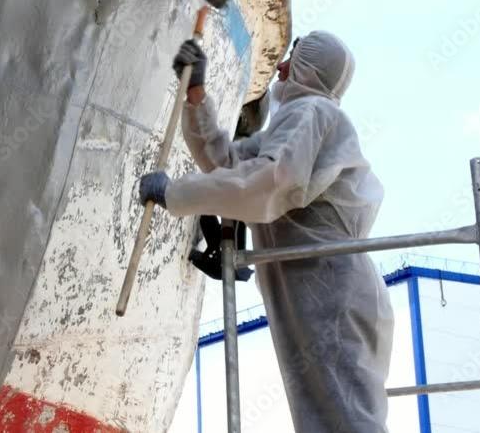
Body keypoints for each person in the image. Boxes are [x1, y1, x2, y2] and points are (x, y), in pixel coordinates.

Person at [138, 31, 394, 432]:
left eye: (292, 58)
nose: (280, 66)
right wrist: (197, 94)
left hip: (332, 295)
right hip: (315, 291)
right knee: (325, 416)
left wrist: (176, 194)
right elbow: (228, 164)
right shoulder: (297, 121)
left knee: (344, 417)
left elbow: (270, 181)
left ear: (309, 70)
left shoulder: (313, 113)